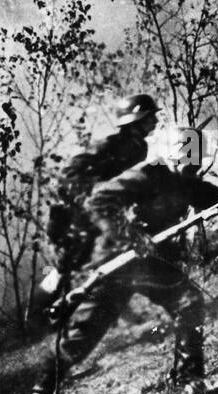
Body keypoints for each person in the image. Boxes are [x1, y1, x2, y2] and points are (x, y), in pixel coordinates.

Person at [19, 129, 218, 394]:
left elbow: (213, 197)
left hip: (151, 265)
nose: (189, 167)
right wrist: (131, 235)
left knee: (188, 302)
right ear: (172, 155)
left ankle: (189, 382)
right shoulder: (145, 175)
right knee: (81, 338)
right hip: (115, 263)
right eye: (184, 158)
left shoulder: (185, 181)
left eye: (193, 161)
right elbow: (99, 202)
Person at [47, 92, 159, 278]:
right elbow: (68, 175)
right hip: (79, 214)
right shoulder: (109, 145)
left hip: (106, 211)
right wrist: (89, 198)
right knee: (71, 269)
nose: (155, 120)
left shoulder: (140, 148)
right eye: (150, 116)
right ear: (136, 120)